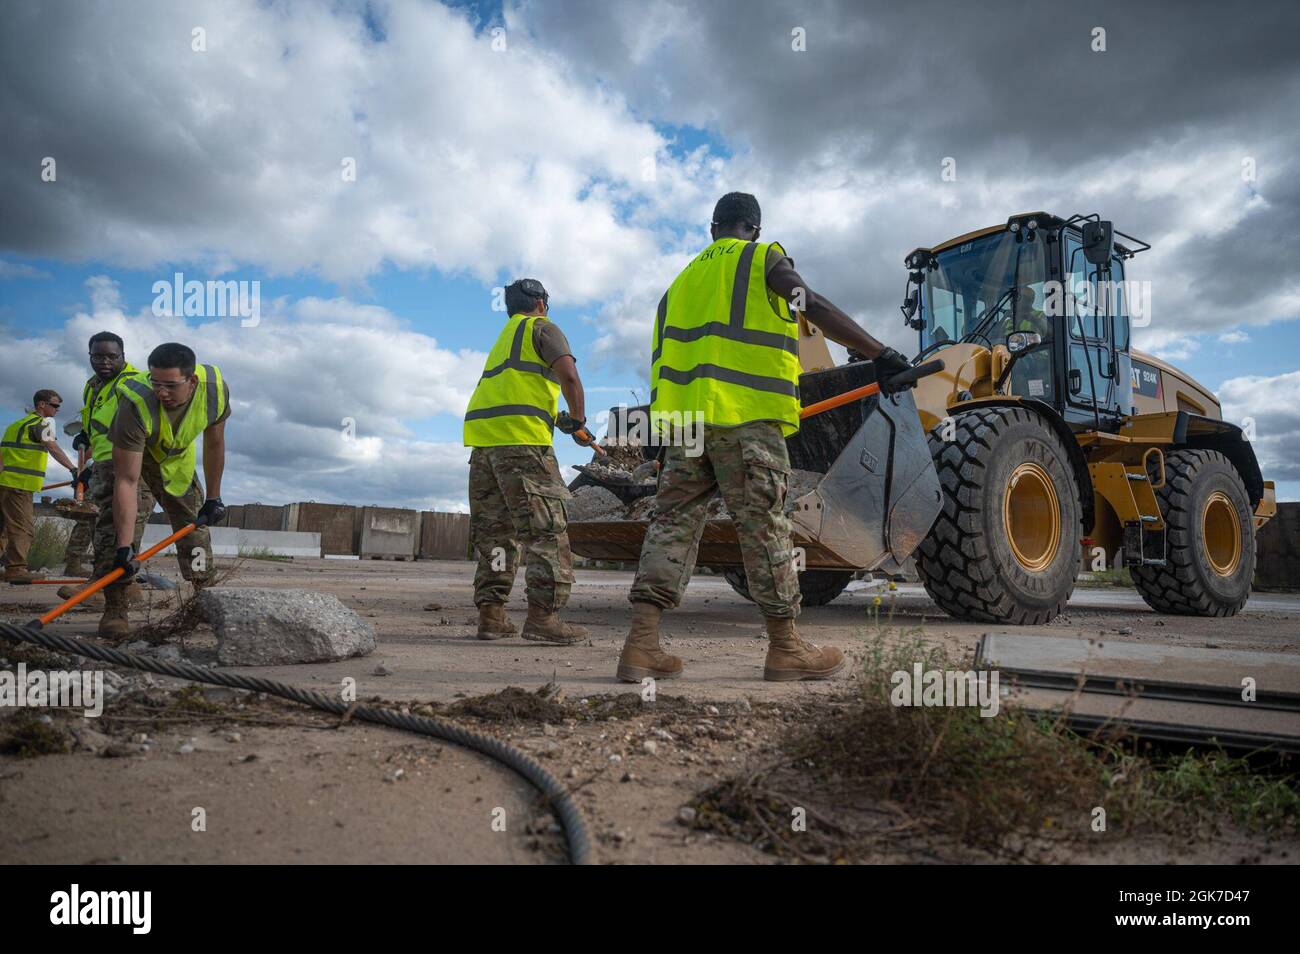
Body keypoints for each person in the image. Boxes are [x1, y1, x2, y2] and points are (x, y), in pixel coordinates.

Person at [618, 192, 914, 683]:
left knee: (670, 526)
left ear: (713, 228)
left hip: (687, 427)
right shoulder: (762, 257)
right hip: (746, 419)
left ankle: (641, 643)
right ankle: (785, 647)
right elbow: (809, 302)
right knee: (763, 528)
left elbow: (661, 362)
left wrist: (659, 430)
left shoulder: (677, 285)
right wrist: (876, 352)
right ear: (753, 227)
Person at [462, 278, 592, 644]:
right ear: (540, 302)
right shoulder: (543, 328)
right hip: (523, 445)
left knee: (496, 535)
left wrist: (563, 422)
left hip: (485, 447)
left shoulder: (505, 339)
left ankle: (492, 616)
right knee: (547, 533)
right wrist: (580, 420)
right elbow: (568, 375)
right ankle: (543, 620)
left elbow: (522, 393)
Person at [95, 342, 229, 638]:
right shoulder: (135, 402)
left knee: (195, 527)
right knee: (115, 532)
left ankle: (205, 598)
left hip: (173, 457)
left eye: (170, 385)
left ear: (191, 381)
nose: (161, 392)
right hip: (127, 456)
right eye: (155, 383)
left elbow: (214, 442)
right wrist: (124, 547)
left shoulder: (215, 390)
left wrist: (214, 497)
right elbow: (126, 481)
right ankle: (115, 607)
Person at [56, 332, 155, 606]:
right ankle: (125, 587)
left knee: (121, 530)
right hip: (104, 463)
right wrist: (87, 440)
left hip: (133, 464)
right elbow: (100, 421)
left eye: (112, 356)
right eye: (98, 356)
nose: (105, 362)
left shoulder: (135, 382)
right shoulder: (92, 386)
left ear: (123, 356)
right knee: (106, 527)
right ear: (90, 356)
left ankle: (106, 588)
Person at [0, 391, 78, 583]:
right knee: (22, 528)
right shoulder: (40, 424)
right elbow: (52, 447)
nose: (57, 409)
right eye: (55, 405)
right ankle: (16, 569)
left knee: (2, 528)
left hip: (4, 483)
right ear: (41, 405)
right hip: (19, 485)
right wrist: (73, 468)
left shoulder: (15, 425)